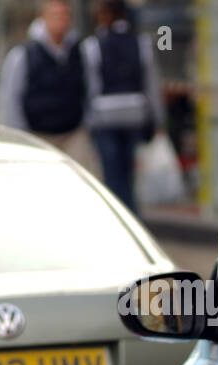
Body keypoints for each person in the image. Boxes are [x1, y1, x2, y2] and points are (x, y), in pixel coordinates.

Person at [81, 0, 165, 214]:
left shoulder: (93, 45)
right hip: (134, 115)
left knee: (112, 175)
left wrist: (87, 120)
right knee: (129, 175)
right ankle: (132, 217)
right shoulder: (141, 42)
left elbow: (91, 86)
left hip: (104, 117)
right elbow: (151, 83)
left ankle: (119, 218)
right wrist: (157, 118)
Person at [0, 0, 98, 172]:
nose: (60, 21)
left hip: (73, 134)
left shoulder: (79, 52)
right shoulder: (23, 54)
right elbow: (11, 97)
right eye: (55, 15)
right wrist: (21, 136)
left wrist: (87, 123)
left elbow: (91, 88)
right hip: (38, 135)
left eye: (64, 16)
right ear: (42, 18)